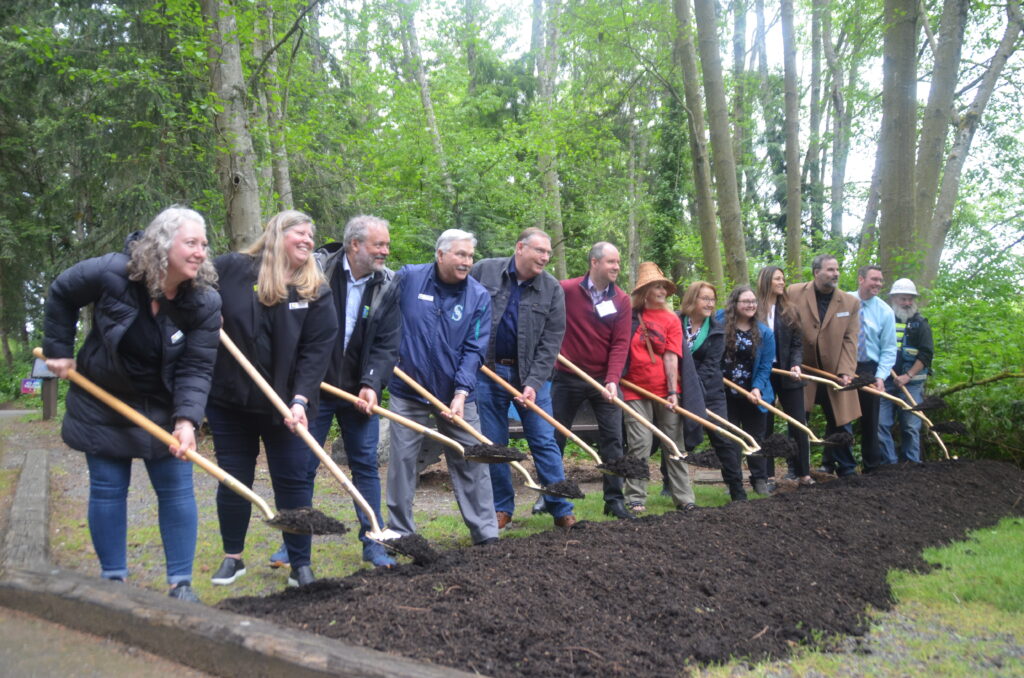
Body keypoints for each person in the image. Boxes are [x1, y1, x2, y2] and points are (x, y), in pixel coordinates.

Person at [42, 206, 221, 603]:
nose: (200, 253)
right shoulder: (112, 272)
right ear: (163, 244)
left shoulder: (204, 302)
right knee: (108, 489)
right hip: (103, 400)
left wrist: (187, 421)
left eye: (204, 245)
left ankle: (180, 585)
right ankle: (113, 580)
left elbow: (196, 367)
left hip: (163, 406)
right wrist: (59, 349)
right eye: (191, 243)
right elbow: (62, 292)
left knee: (177, 490)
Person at [206, 210, 338, 589]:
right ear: (277, 233)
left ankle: (300, 564)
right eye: (301, 233)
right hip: (231, 400)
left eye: (311, 235)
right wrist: (204, 311)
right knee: (235, 479)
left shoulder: (315, 289)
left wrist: (300, 400)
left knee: (293, 481)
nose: (309, 240)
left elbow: (317, 351)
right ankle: (233, 558)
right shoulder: (232, 269)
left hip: (288, 405)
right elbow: (193, 287)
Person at [265, 215, 401, 570]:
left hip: (357, 391)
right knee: (303, 464)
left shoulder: (387, 284)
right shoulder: (315, 270)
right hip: (312, 388)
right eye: (379, 245)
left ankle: (374, 542)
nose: (386, 251)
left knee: (365, 466)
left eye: (386, 245)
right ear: (355, 245)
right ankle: (293, 543)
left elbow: (388, 343)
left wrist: (372, 384)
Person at [385, 229, 499, 545]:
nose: (467, 261)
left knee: (472, 458)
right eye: (460, 254)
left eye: (470, 256)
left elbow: (474, 349)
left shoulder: (477, 296)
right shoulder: (409, 279)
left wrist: (461, 393)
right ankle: (400, 532)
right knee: (402, 462)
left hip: (456, 394)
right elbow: (382, 315)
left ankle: (486, 533)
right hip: (408, 390)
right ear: (440, 254)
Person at [471, 228, 576, 530]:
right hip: (488, 373)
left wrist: (533, 383)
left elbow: (551, 341)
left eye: (548, 253)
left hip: (531, 376)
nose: (545, 257)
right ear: (520, 248)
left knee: (543, 440)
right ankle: (501, 508)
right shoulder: (485, 272)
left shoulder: (551, 288)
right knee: (494, 444)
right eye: (540, 251)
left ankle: (561, 508)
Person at [552, 242, 634, 520]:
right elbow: (547, 322)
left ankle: (614, 500)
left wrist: (612, 380)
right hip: (567, 376)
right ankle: (551, 496)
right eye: (611, 262)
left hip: (603, 380)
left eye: (618, 262)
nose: (616, 267)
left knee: (613, 440)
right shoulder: (565, 290)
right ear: (594, 262)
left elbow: (620, 344)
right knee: (555, 437)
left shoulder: (621, 300)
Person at [619, 263, 696, 512]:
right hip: (633, 389)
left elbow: (672, 356)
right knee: (639, 443)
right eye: (656, 287)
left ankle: (684, 498)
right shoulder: (628, 317)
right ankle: (635, 497)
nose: (662, 291)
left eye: (664, 287)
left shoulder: (671, 319)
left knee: (674, 444)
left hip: (665, 391)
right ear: (645, 292)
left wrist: (673, 392)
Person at [787, 254, 861, 476]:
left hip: (835, 372)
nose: (835, 273)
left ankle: (846, 469)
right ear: (816, 272)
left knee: (841, 421)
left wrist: (846, 371)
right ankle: (796, 469)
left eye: (837, 269)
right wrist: (792, 362)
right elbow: (784, 327)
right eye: (830, 270)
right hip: (803, 369)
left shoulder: (850, 302)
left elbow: (850, 340)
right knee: (798, 421)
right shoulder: (793, 293)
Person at [678, 281, 747, 501]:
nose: (710, 304)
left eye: (712, 299)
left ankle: (737, 489)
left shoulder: (717, 330)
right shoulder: (675, 322)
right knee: (676, 436)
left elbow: (710, 366)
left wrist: (692, 390)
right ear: (692, 299)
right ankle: (670, 484)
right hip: (678, 389)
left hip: (710, 391)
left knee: (722, 437)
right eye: (705, 299)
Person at [755, 265, 812, 486]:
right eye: (777, 278)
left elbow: (797, 343)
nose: (782, 282)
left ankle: (803, 473)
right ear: (766, 281)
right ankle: (767, 475)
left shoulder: (790, 309)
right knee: (764, 423)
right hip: (763, 374)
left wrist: (796, 365)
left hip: (787, 372)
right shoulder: (754, 309)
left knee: (798, 422)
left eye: (783, 278)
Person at [717, 285, 775, 495]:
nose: (751, 305)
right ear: (735, 304)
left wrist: (757, 388)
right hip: (726, 393)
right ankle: (734, 483)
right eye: (746, 301)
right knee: (731, 438)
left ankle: (759, 480)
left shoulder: (765, 333)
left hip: (753, 394)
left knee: (756, 438)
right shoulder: (720, 325)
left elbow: (765, 366)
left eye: (753, 301)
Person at [843, 265, 897, 473]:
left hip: (869, 369)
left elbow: (889, 349)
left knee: (870, 420)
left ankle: (871, 468)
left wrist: (880, 376)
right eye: (874, 279)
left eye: (880, 280)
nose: (878, 284)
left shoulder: (886, 312)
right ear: (861, 279)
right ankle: (841, 466)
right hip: (845, 365)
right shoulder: (844, 301)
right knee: (841, 417)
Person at [879, 278, 934, 464]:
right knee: (881, 423)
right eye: (903, 299)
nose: (907, 303)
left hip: (912, 384)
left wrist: (908, 376)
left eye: (910, 299)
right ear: (893, 298)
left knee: (910, 425)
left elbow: (926, 354)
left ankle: (912, 465)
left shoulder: (921, 324)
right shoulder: (884, 320)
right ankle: (890, 465)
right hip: (885, 382)